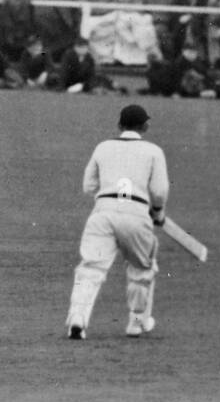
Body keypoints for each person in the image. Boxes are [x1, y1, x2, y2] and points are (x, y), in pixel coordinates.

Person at [64, 104, 169, 340]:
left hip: (102, 213)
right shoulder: (154, 151)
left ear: (120, 125)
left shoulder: (103, 147)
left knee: (91, 269)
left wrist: (110, 196)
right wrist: (158, 212)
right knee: (142, 269)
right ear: (145, 126)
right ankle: (136, 322)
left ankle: (77, 320)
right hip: (137, 214)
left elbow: (88, 186)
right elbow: (159, 191)